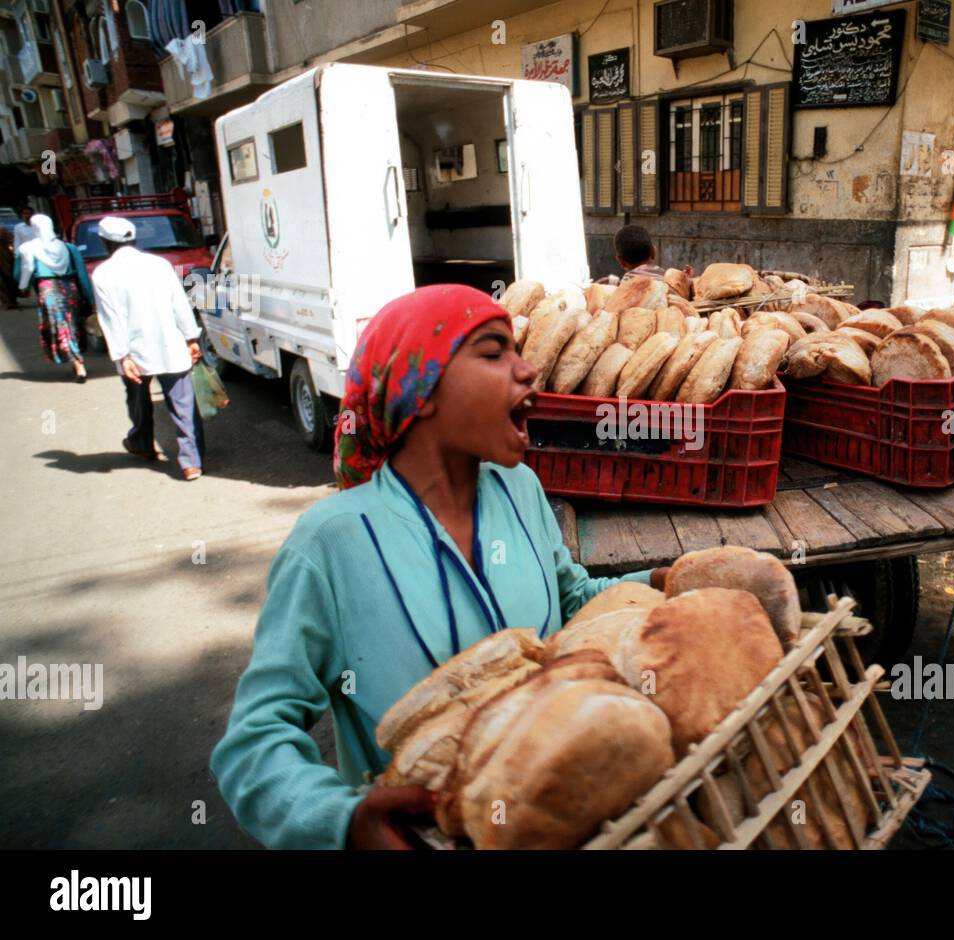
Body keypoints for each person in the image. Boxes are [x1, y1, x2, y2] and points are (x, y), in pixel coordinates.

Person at [211, 285, 670, 849]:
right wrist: (341, 820)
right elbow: (254, 742)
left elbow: (573, 600)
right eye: (494, 351)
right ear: (420, 388)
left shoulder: (519, 489)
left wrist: (659, 582)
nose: (527, 371)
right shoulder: (330, 542)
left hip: (567, 815)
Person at [90, 215, 205, 480]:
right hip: (171, 346)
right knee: (183, 406)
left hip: (134, 352)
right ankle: (191, 463)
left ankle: (142, 445)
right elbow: (180, 303)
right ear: (134, 238)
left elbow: (110, 319)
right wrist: (191, 337)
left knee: (138, 403)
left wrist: (122, 355)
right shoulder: (159, 265)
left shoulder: (103, 274)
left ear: (105, 242)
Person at [14, 213, 92, 382]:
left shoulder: (28, 248)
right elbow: (82, 275)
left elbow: (26, 269)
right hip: (70, 289)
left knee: (61, 327)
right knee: (71, 324)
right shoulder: (68, 247)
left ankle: (79, 365)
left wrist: (22, 288)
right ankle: (76, 362)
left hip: (48, 290)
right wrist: (89, 297)